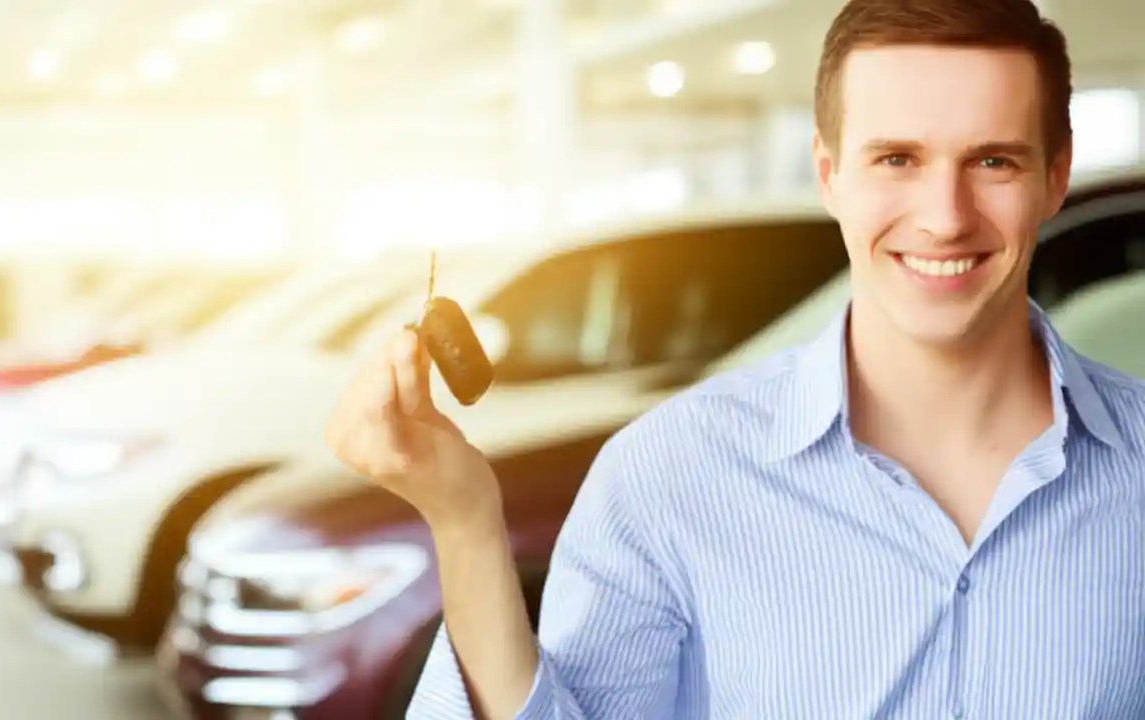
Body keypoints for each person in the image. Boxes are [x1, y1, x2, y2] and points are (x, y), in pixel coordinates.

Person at [324, 0, 1145, 717]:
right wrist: (465, 524)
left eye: (992, 161)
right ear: (829, 174)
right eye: (896, 159)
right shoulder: (669, 473)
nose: (944, 216)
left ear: (1055, 176)